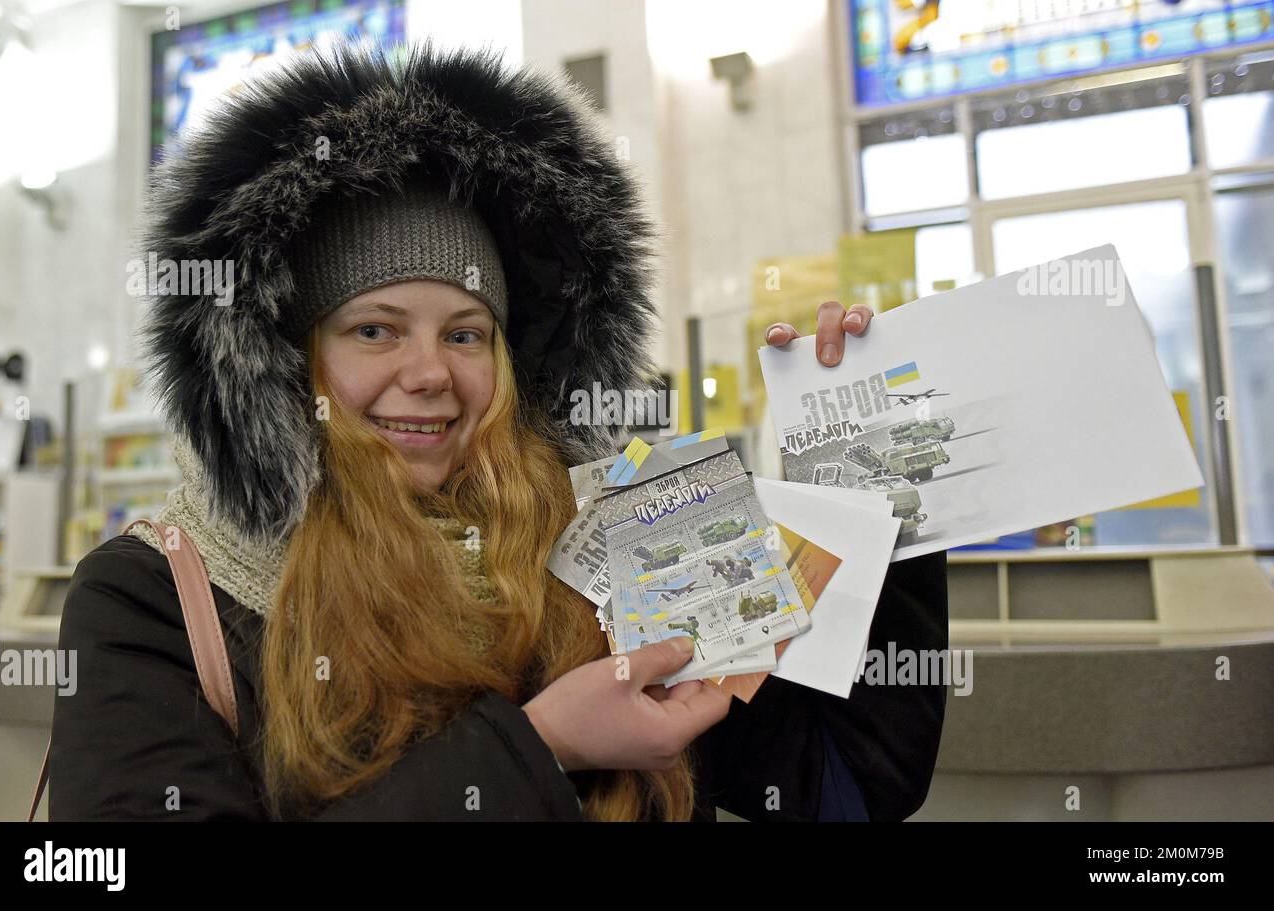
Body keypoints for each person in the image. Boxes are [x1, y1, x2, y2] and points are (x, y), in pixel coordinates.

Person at [48, 41, 947, 821]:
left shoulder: (617, 539)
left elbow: (845, 785)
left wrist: (874, 462)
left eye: (466, 333)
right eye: (375, 328)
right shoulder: (157, 595)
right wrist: (542, 745)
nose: (431, 371)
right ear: (288, 358)